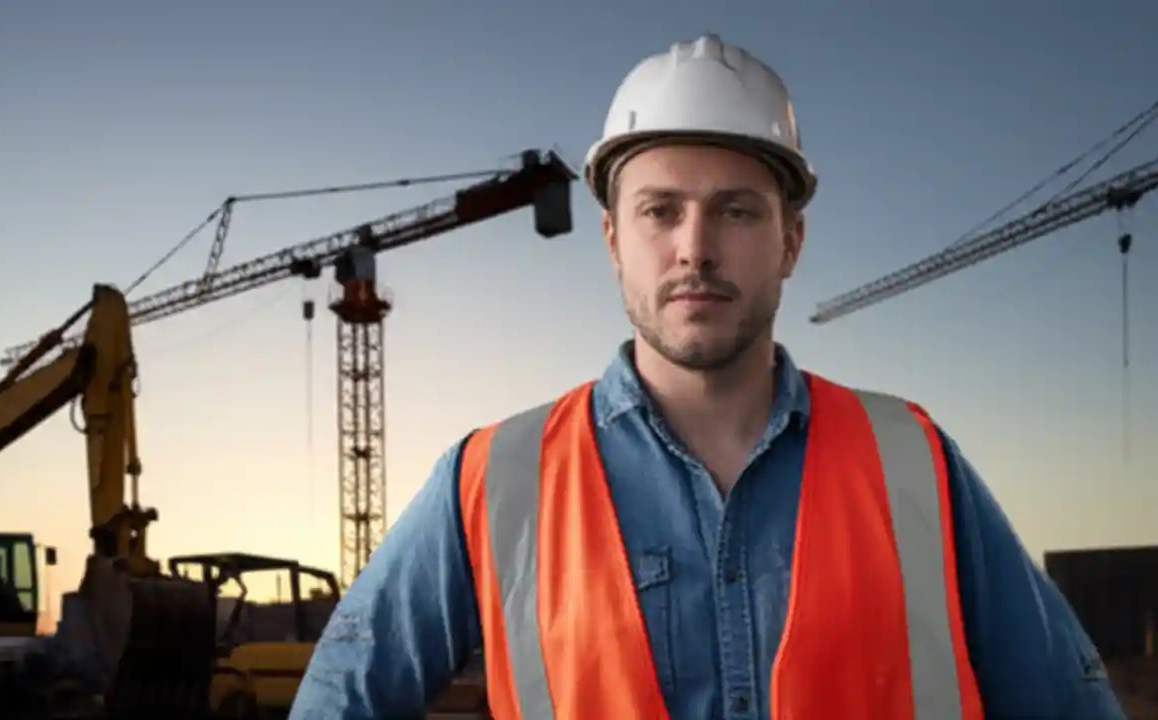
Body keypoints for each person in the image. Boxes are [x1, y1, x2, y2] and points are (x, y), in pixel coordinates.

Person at [289, 33, 1125, 720]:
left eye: (735, 209)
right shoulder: (494, 478)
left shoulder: (914, 459)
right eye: (661, 211)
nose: (695, 247)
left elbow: (1069, 703)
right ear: (614, 239)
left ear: (790, 242)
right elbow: (339, 701)